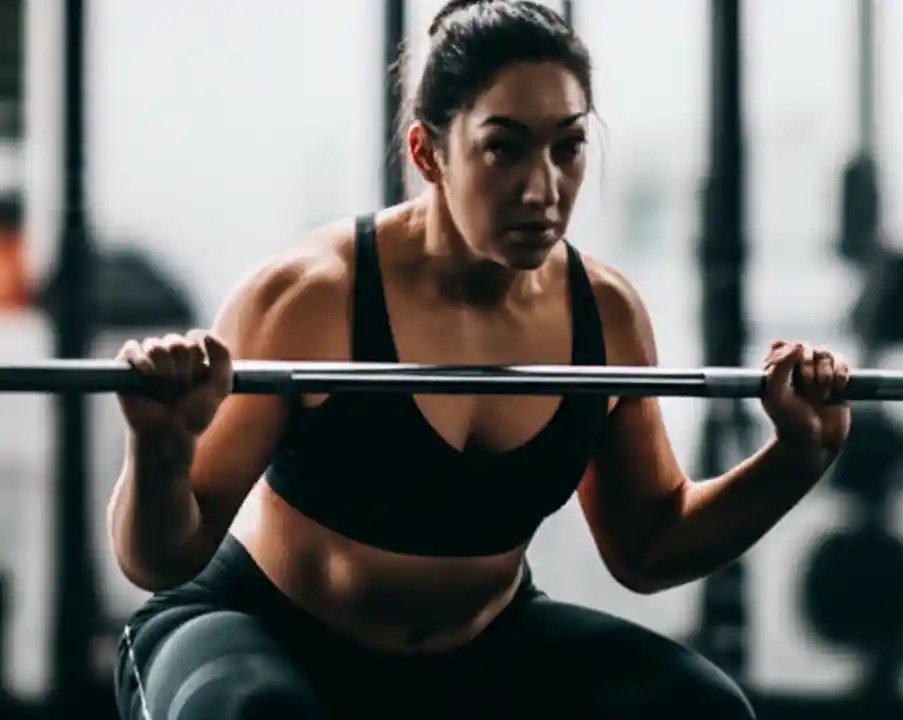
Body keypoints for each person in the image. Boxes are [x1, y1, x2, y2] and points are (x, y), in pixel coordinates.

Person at [108, 1, 852, 718]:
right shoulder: (309, 297)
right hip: (266, 635)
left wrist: (796, 455)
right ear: (427, 152)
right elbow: (161, 557)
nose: (544, 188)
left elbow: (649, 546)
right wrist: (159, 448)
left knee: (698, 707)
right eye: (505, 147)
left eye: (569, 146)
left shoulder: (607, 315)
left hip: (477, 653)